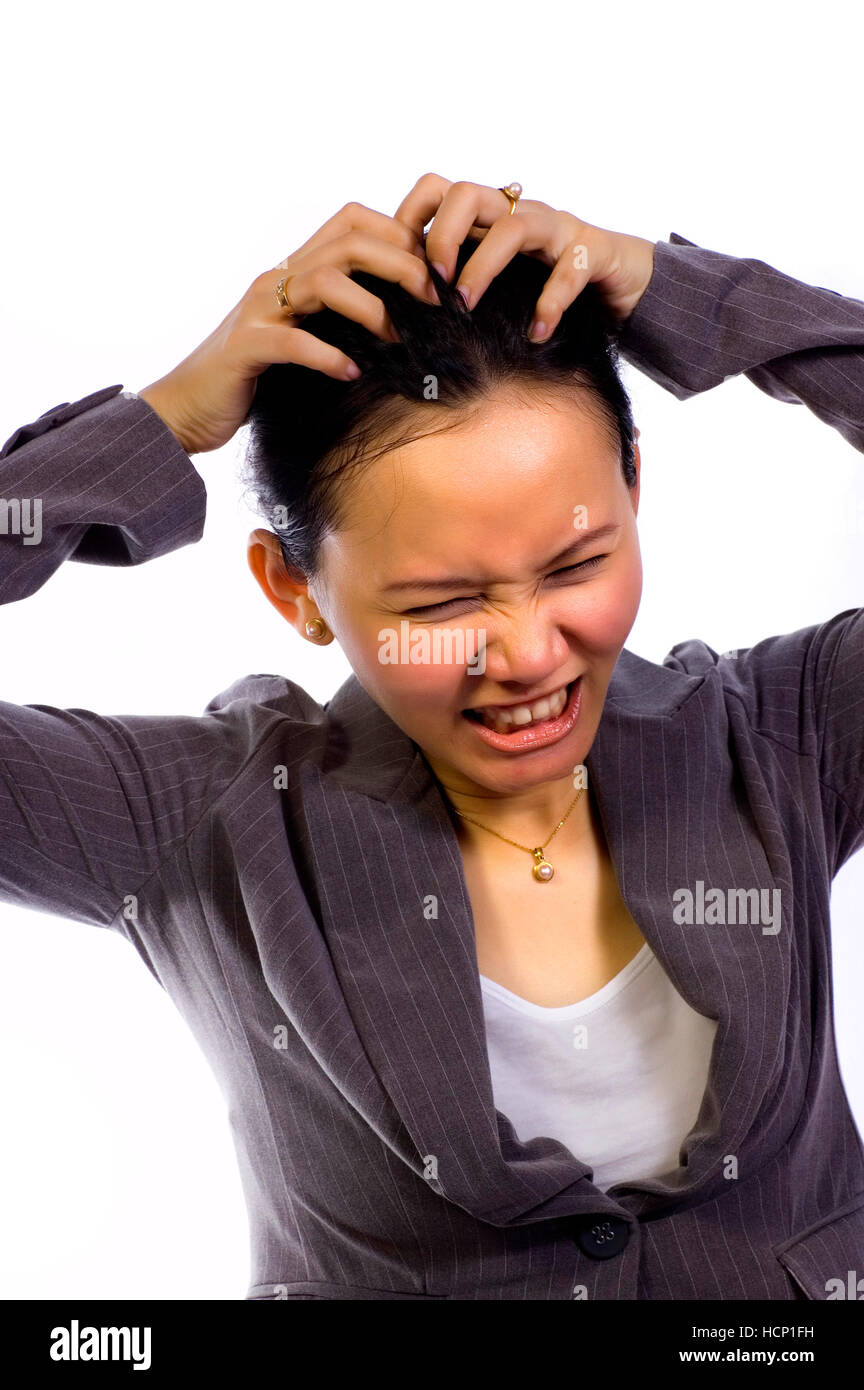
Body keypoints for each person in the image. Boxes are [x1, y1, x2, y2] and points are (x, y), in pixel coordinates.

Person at [2, 173, 863, 1301]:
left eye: (576, 564)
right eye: (441, 603)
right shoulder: (203, 822)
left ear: (635, 489)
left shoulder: (782, 736)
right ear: (294, 590)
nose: (528, 653)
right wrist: (160, 422)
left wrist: (677, 295)